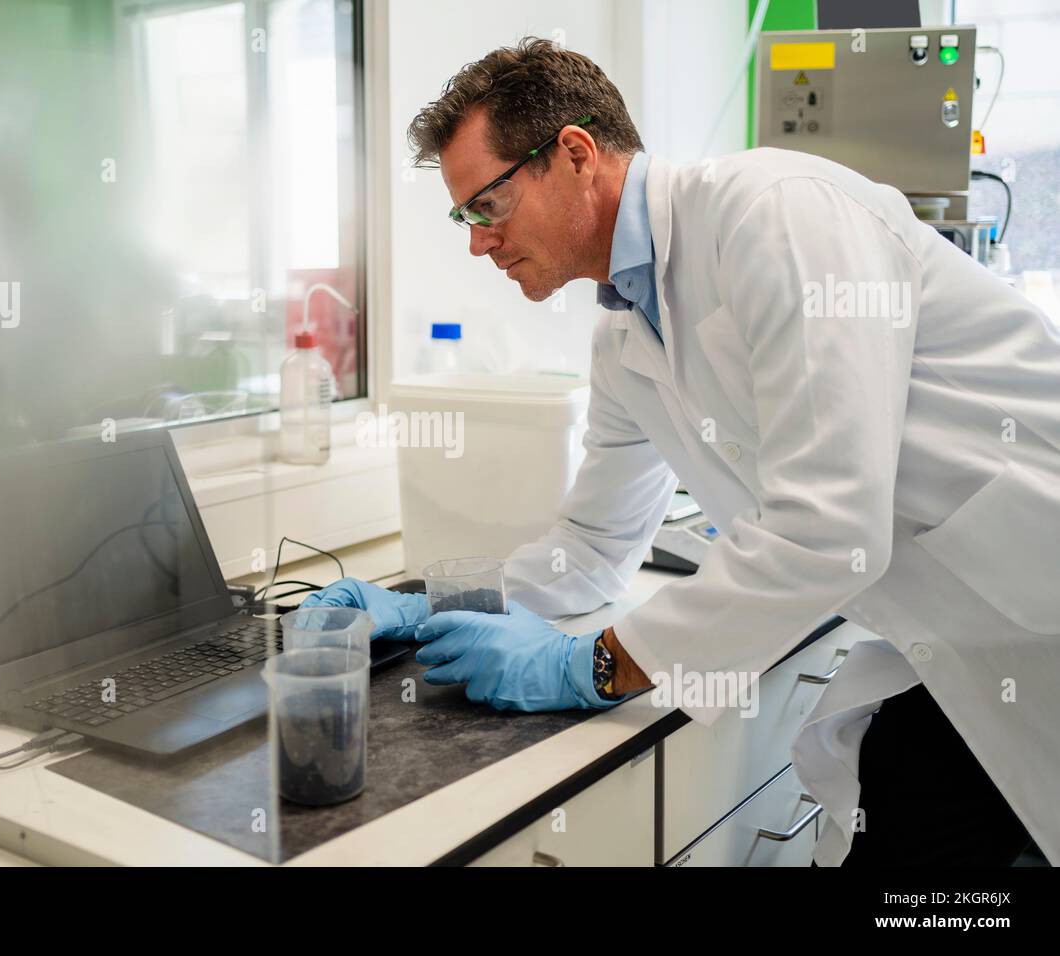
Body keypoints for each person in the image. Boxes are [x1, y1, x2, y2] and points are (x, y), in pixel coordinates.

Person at [304, 38, 1059, 867]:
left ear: (576, 155)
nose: (478, 244)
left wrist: (588, 667)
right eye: (465, 218)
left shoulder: (778, 215)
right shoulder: (624, 326)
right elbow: (593, 548)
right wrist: (430, 605)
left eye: (485, 206)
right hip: (958, 647)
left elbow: (826, 533)